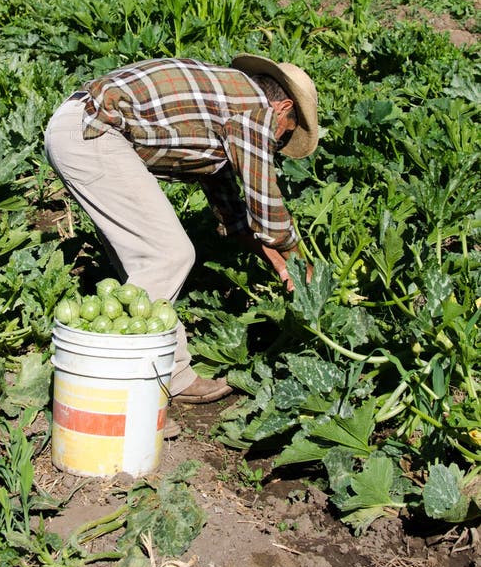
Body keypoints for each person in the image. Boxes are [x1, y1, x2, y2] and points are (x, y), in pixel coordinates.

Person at [44, 54, 318, 409]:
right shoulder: (255, 111)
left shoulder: (225, 109)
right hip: (95, 132)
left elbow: (236, 217)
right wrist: (302, 265)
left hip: (78, 127)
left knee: (147, 267)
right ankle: (113, 388)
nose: (275, 146)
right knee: (170, 255)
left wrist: (279, 266)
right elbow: (269, 211)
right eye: (282, 138)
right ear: (282, 109)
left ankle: (172, 373)